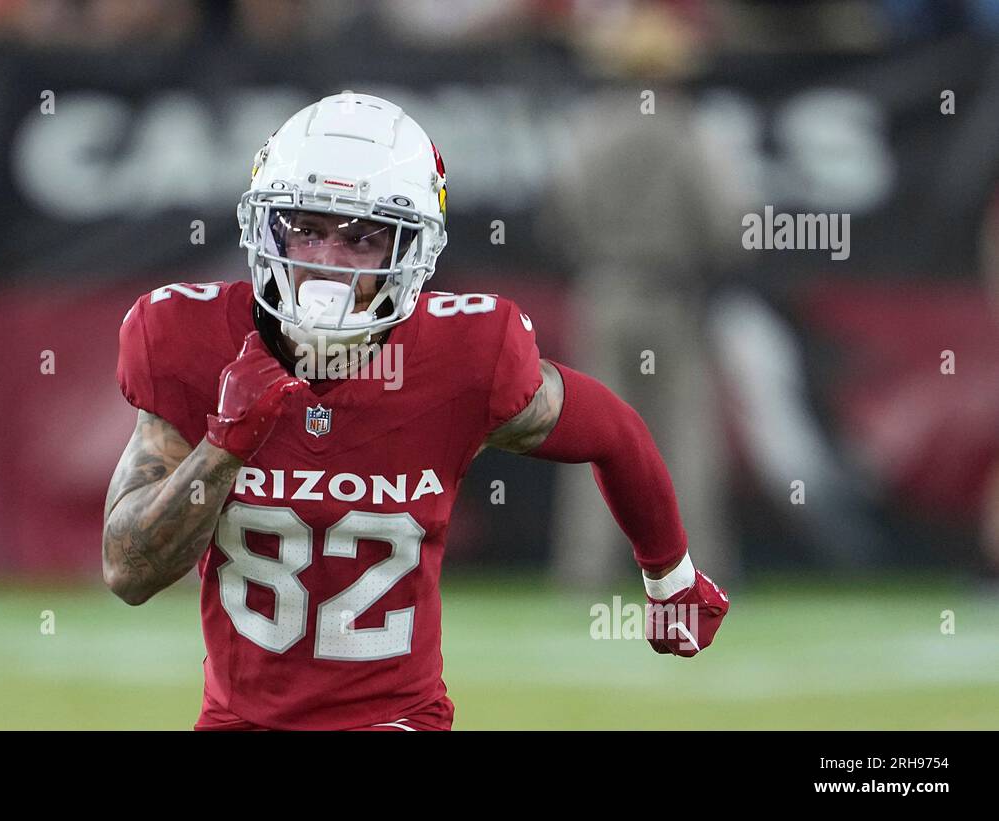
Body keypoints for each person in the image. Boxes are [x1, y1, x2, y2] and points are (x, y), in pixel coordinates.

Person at [103, 92, 729, 731]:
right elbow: (128, 572)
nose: (325, 262)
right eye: (306, 228)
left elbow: (613, 429)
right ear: (266, 227)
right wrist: (224, 445)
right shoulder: (188, 341)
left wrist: (668, 574)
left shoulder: (461, 358)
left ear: (411, 251)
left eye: (362, 238)